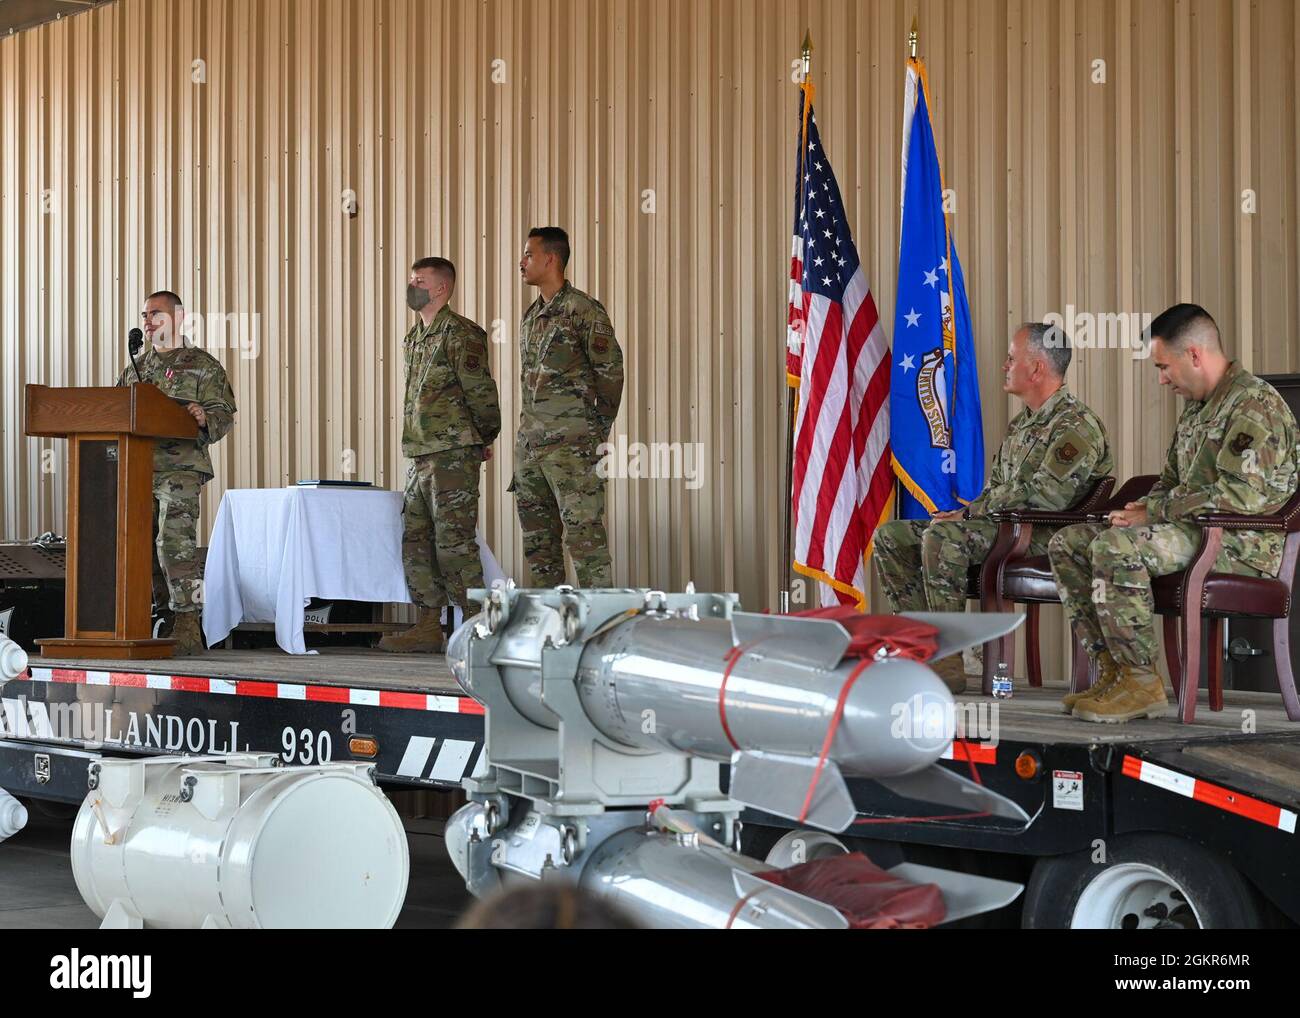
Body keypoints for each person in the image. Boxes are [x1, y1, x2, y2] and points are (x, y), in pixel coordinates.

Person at [1049, 303, 1298, 722]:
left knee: (1116, 548)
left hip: (1239, 543)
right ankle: (1114, 669)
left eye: (1165, 367)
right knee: (1068, 543)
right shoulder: (1197, 408)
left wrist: (1157, 511)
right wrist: (1142, 509)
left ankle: (1141, 682)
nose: (1162, 379)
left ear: (1195, 355)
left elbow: (1240, 497)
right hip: (1191, 533)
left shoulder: (1254, 405)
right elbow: (1170, 480)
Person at [874, 323, 1112, 692]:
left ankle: (947, 659)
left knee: (945, 536)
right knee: (892, 536)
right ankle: (922, 646)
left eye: (1012, 359)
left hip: (1043, 536)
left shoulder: (1075, 426)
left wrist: (968, 514)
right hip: (1002, 527)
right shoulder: (1022, 424)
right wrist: (969, 512)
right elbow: (1001, 488)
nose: (1004, 366)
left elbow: (1048, 497)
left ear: (1036, 369)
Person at [379, 257, 500, 654]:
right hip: (420, 452)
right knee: (416, 540)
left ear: (441, 288)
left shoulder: (461, 333)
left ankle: (477, 628)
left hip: (452, 453)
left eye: (420, 280)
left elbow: (481, 393)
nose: (411, 285)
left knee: (454, 542)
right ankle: (428, 625)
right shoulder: (414, 338)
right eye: (411, 279)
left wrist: (483, 437)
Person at [114, 290, 236, 655]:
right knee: (142, 547)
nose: (148, 321)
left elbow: (223, 414)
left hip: (180, 469)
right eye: (145, 314)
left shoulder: (202, 365)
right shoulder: (136, 369)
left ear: (178, 318)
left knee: (173, 544)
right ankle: (161, 618)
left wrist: (204, 417)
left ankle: (187, 623)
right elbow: (116, 411)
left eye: (156, 313)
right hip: (138, 470)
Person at [512, 226, 623, 587]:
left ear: (551, 258)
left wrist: (592, 432)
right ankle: (551, 625)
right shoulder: (531, 316)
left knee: (584, 537)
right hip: (531, 449)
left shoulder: (582, 310)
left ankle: (599, 626)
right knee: (539, 545)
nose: (522, 262)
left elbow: (610, 374)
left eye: (529, 254)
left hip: (570, 447)